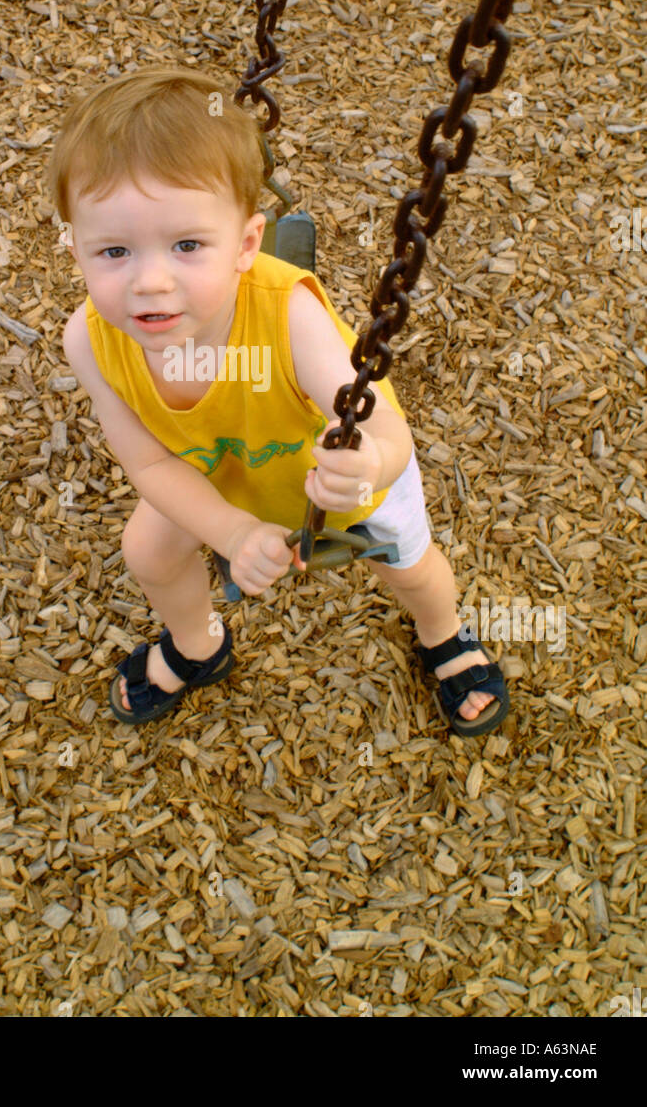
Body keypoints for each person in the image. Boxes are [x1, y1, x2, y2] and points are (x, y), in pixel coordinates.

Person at [46, 65, 509, 736]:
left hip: (338, 477)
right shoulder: (88, 341)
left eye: (186, 245)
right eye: (113, 250)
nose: (149, 281)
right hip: (216, 474)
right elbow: (149, 467)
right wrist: (231, 533)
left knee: (412, 570)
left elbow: (387, 435)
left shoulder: (286, 315)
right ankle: (199, 645)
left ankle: (443, 636)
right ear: (75, 250)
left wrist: (369, 467)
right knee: (149, 550)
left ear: (244, 244)